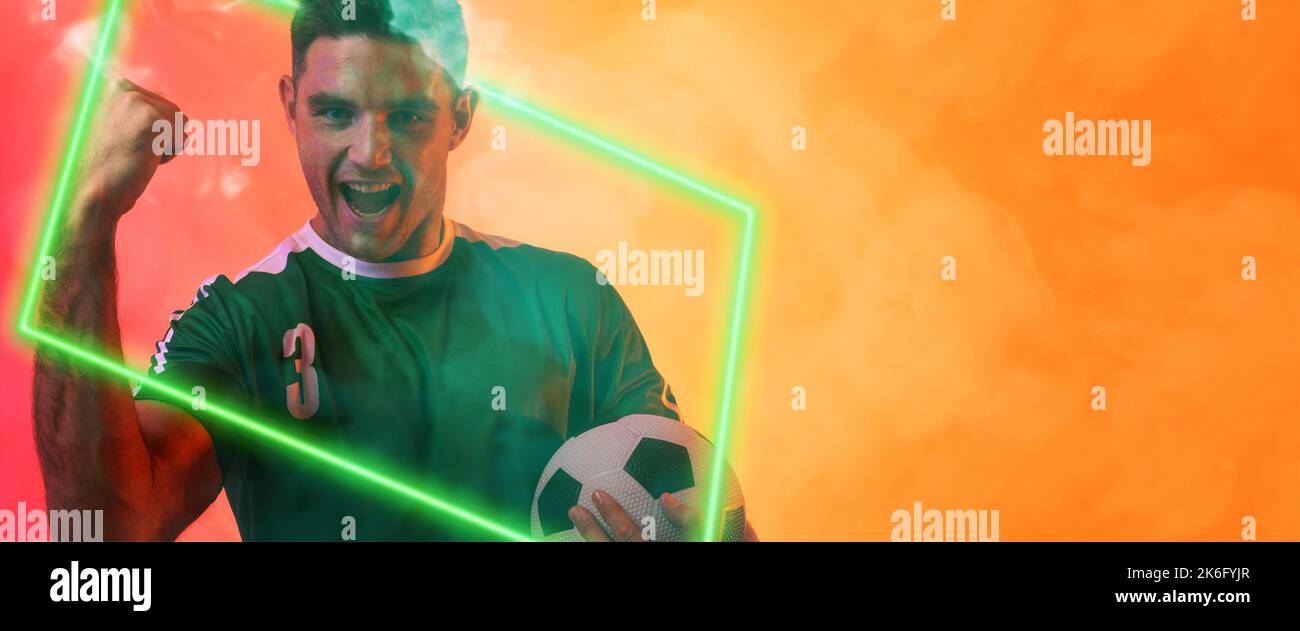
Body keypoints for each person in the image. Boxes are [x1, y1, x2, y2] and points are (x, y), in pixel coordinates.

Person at [33, 0, 751, 541]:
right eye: (335, 112)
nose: (369, 154)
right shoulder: (240, 321)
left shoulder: (569, 300)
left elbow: (697, 500)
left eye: (407, 117)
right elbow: (102, 535)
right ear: (290, 108)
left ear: (461, 118)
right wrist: (81, 227)